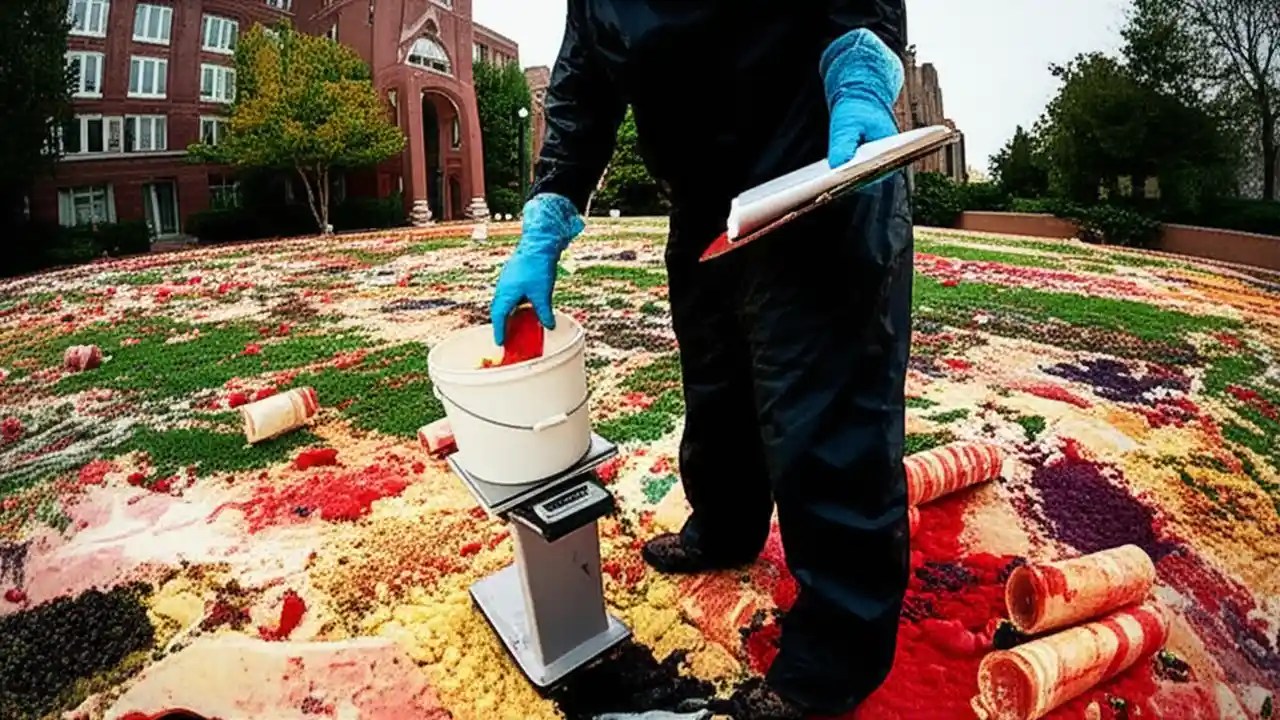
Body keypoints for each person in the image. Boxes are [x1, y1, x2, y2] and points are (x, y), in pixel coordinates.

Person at [488, 3, 913, 718]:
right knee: (717, 377)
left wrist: (860, 75)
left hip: (817, 168)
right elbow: (581, 92)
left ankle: (834, 658)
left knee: (824, 406)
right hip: (705, 198)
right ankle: (724, 527)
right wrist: (543, 228)